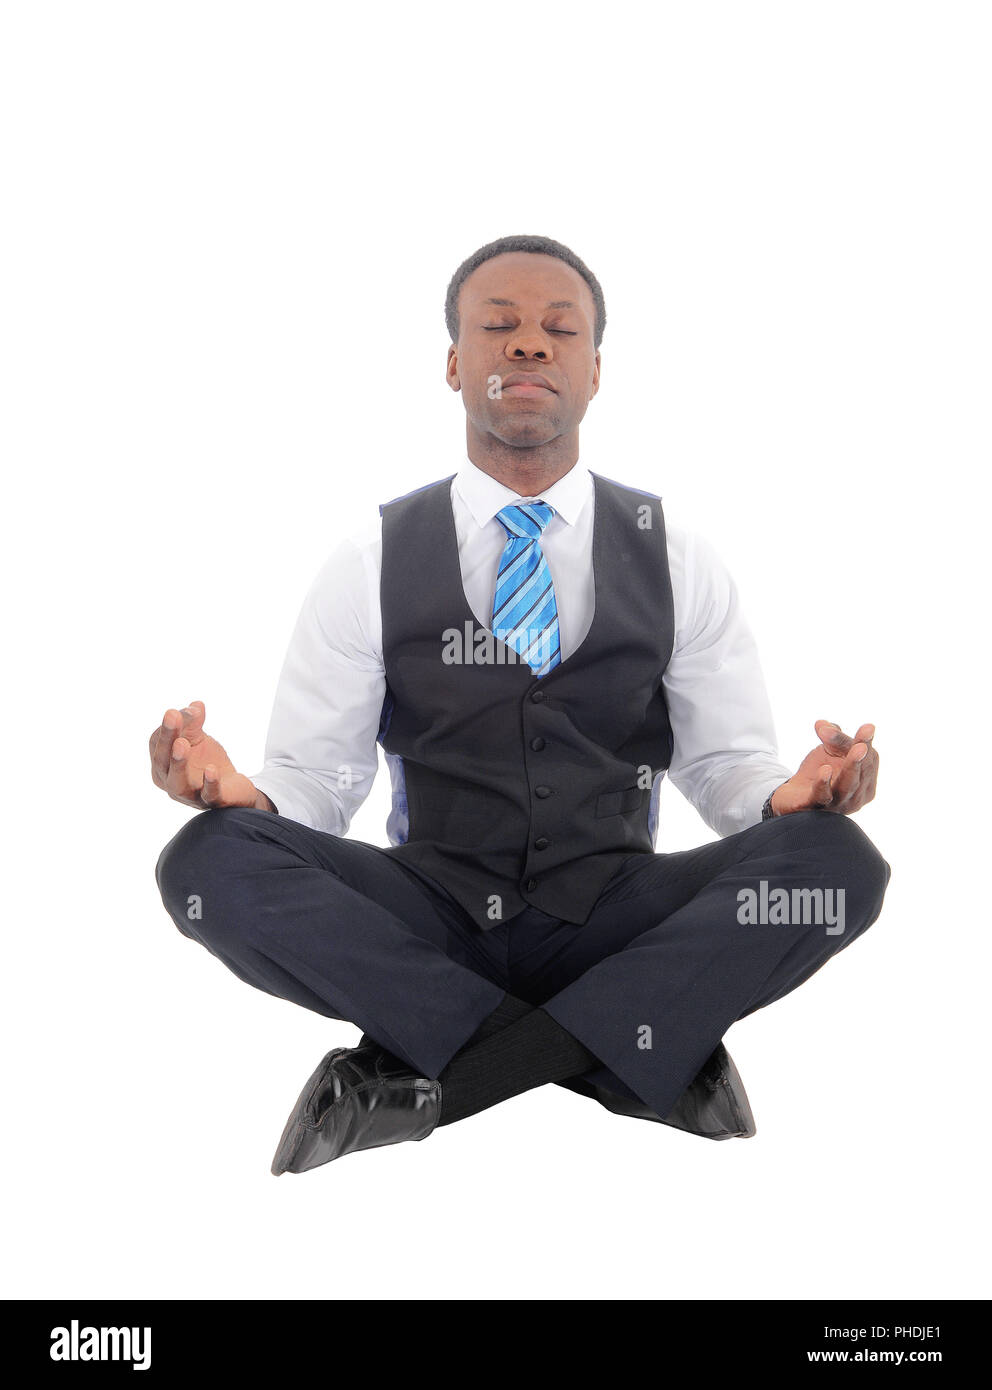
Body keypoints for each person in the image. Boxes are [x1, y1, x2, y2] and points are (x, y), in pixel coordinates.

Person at [151, 234, 889, 1176]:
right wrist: (239, 798)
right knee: (209, 862)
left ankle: (438, 1079)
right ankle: (630, 1052)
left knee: (837, 862)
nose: (528, 346)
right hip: (428, 918)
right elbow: (320, 783)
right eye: (498, 328)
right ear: (456, 364)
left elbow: (722, 764)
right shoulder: (371, 559)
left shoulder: (677, 555)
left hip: (620, 915)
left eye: (558, 329)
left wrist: (789, 799)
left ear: (593, 369)